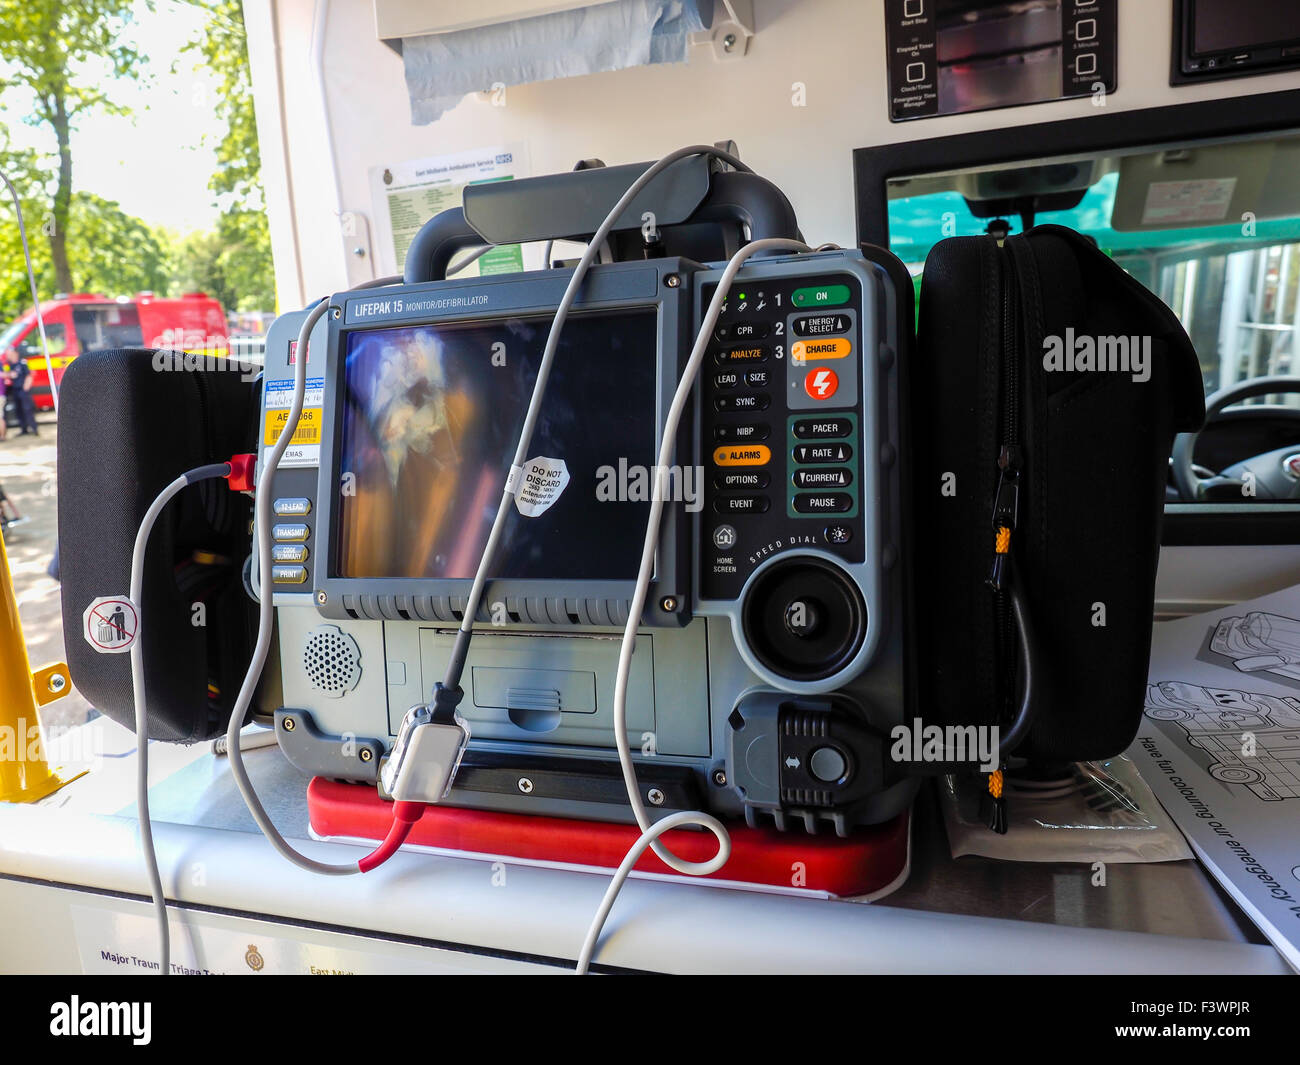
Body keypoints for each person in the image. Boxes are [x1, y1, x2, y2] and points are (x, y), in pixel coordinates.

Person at [10, 358, 37, 435]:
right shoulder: (11, 365)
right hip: (15, 390)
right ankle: (24, 429)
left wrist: (26, 388)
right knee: (19, 411)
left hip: (23, 390)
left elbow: (29, 375)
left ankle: (34, 429)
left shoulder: (22, 363)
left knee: (28, 410)